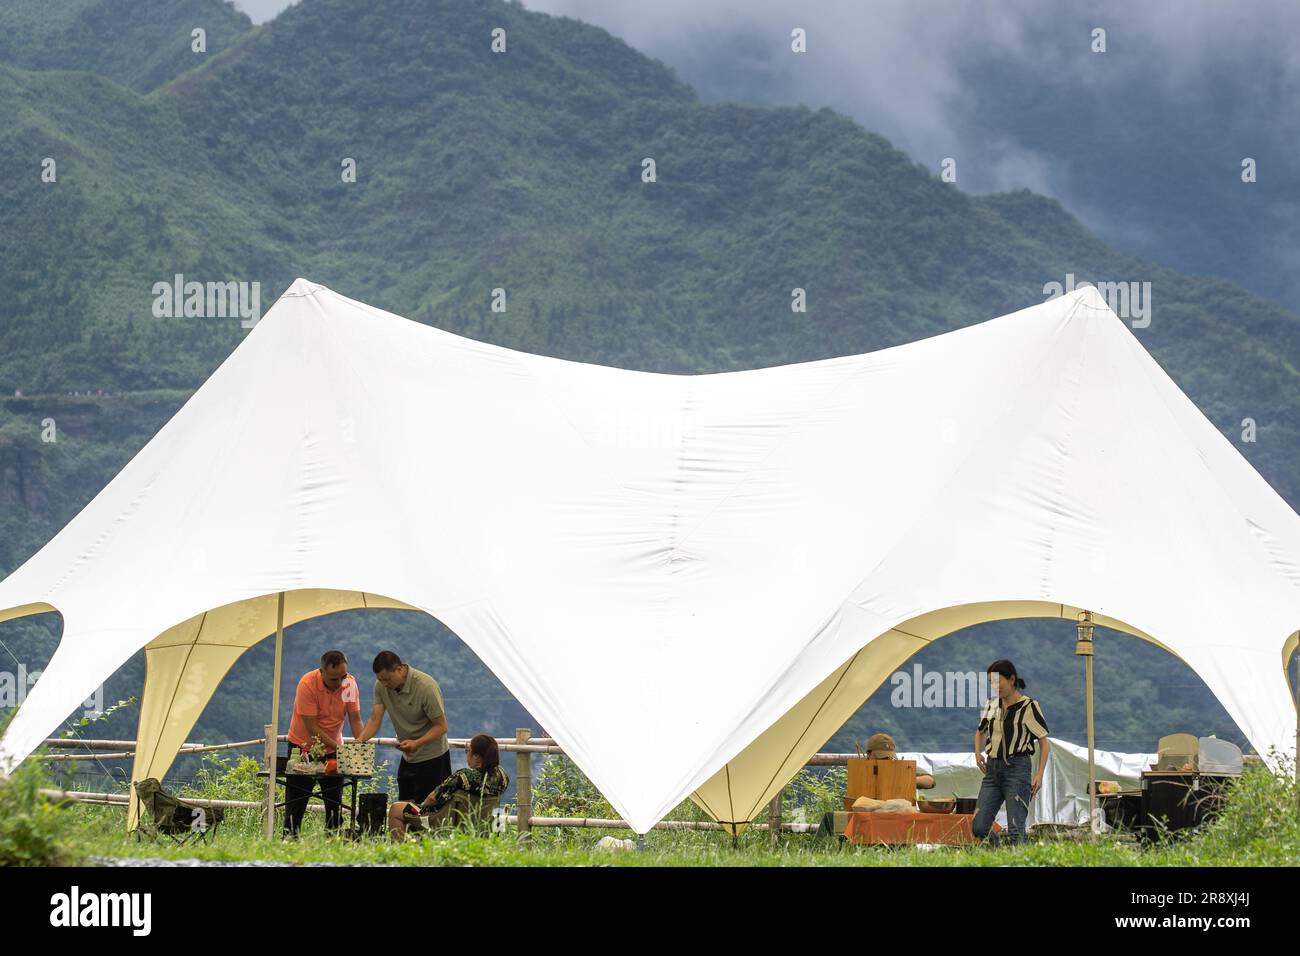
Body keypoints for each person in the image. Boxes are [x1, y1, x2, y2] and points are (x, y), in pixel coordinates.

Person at [971, 659, 1051, 845]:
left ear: (1012, 680)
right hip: (992, 770)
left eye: (998, 681)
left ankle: (1020, 856)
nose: (995, 686)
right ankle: (999, 850)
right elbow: (980, 731)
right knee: (979, 827)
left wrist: (1039, 774)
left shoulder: (1029, 706)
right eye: (991, 682)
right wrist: (977, 753)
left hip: (1018, 769)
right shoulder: (991, 705)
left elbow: (1044, 743)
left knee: (1016, 829)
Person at [283, 650, 362, 837]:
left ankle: (332, 839)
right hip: (302, 747)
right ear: (322, 671)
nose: (339, 682)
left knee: (334, 801)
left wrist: (360, 746)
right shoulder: (307, 684)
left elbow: (355, 719)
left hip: (334, 748)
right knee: (297, 800)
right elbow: (312, 727)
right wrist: (340, 749)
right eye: (334, 679)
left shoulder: (349, 683)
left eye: (343, 676)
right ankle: (290, 838)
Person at [356, 650, 451, 802]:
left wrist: (417, 743)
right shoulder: (381, 686)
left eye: (387, 679)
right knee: (404, 807)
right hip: (408, 757)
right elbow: (374, 720)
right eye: (380, 680)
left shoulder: (426, 686)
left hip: (434, 758)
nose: (384, 684)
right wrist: (360, 740)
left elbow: (441, 726)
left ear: (399, 669)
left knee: (430, 809)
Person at [388, 734, 510, 840]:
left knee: (396, 809)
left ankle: (402, 852)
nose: (467, 755)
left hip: (447, 824)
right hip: (484, 828)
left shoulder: (463, 776)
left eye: (468, 751)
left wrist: (422, 807)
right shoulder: (502, 776)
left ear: (476, 756)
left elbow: (432, 799)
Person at [864, 732, 936, 792]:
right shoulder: (861, 770)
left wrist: (905, 779)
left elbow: (931, 781)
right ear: (869, 754)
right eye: (881, 756)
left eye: (888, 757)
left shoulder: (895, 769)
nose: (885, 760)